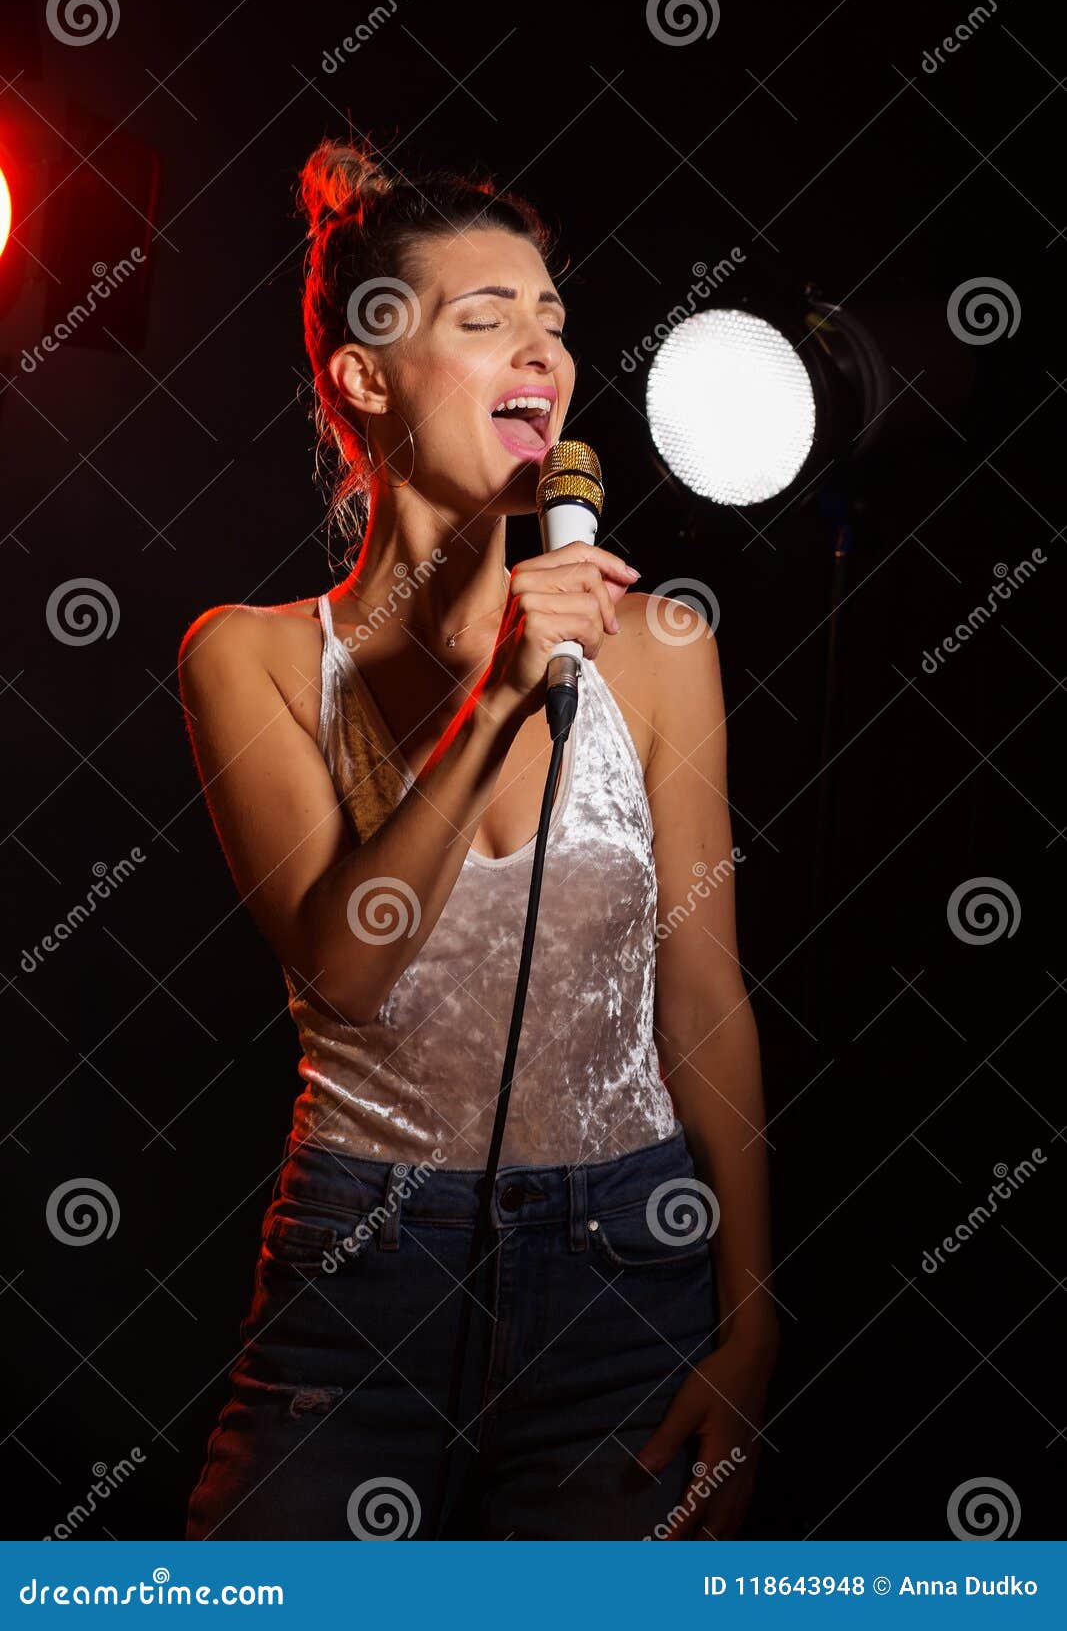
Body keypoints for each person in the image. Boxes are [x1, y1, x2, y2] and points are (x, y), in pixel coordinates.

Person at [178, 138, 778, 1541]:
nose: (543, 348)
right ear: (364, 376)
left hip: (633, 1271)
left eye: (553, 318)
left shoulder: (661, 648)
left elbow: (703, 996)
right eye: (486, 315)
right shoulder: (250, 660)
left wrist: (751, 1327)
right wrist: (502, 697)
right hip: (364, 1268)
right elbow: (344, 965)